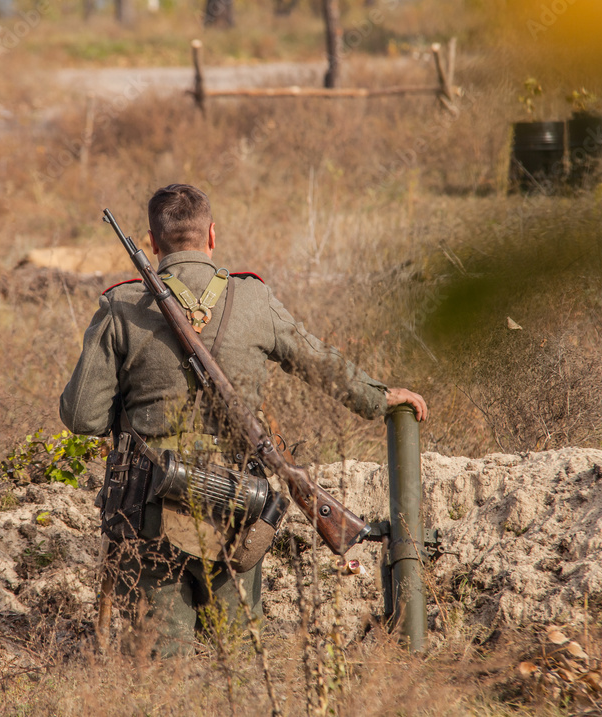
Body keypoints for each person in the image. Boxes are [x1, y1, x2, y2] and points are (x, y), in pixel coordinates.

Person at [59, 184, 428, 657]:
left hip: (148, 508)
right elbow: (321, 364)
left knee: (160, 667)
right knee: (235, 660)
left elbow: (81, 417)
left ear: (152, 242)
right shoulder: (253, 300)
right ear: (212, 235)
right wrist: (382, 398)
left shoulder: (122, 305)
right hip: (237, 503)